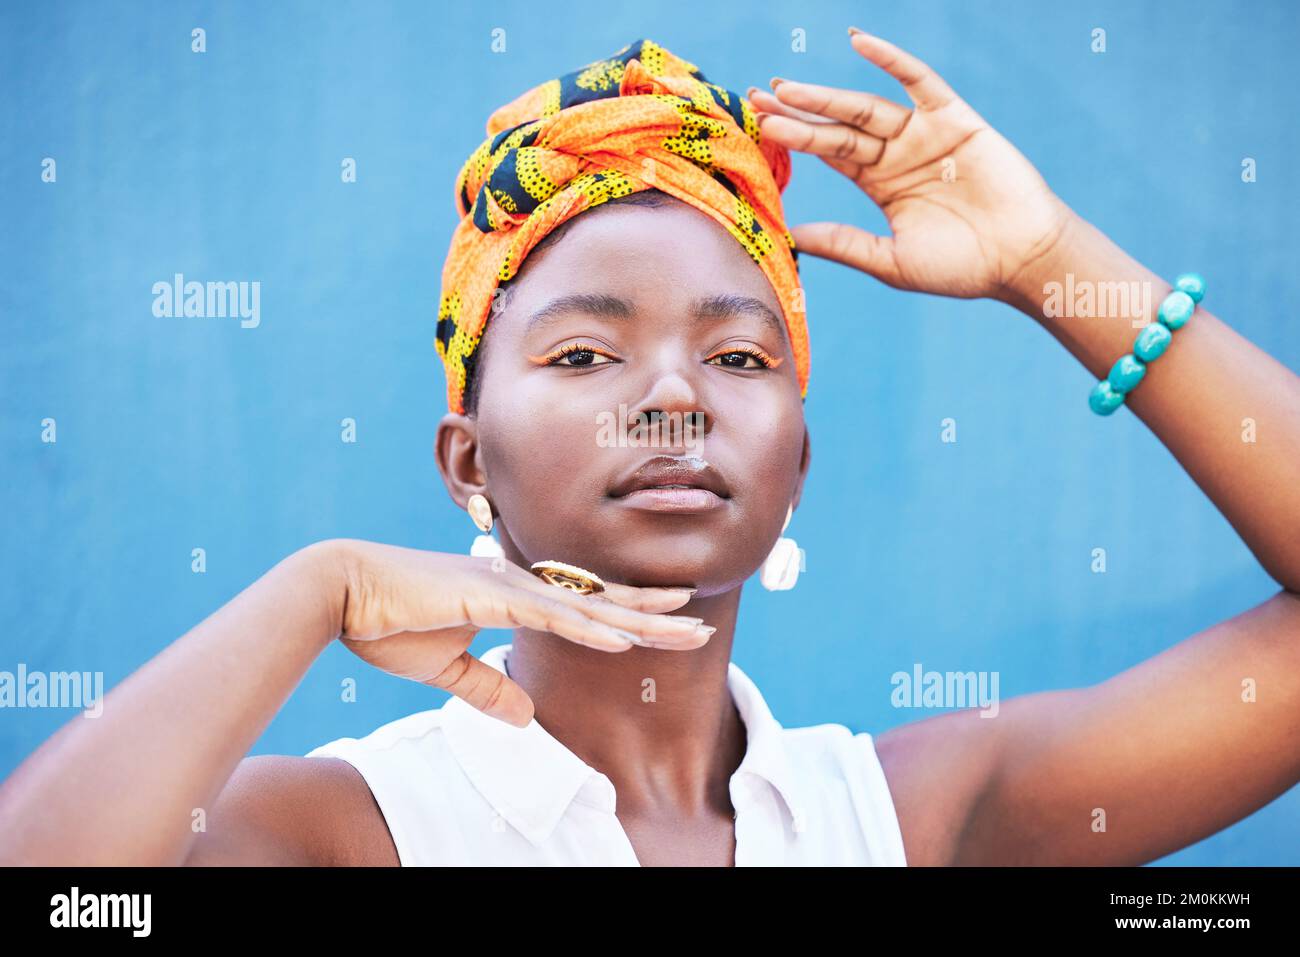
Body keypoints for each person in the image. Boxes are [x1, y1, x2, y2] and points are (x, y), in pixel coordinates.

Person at [2, 30, 1298, 867]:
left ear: (796, 467)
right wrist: (318, 587)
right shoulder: (347, 830)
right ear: (467, 462)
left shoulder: (910, 820)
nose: (674, 396)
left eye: (739, 358)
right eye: (583, 354)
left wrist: (1045, 264)